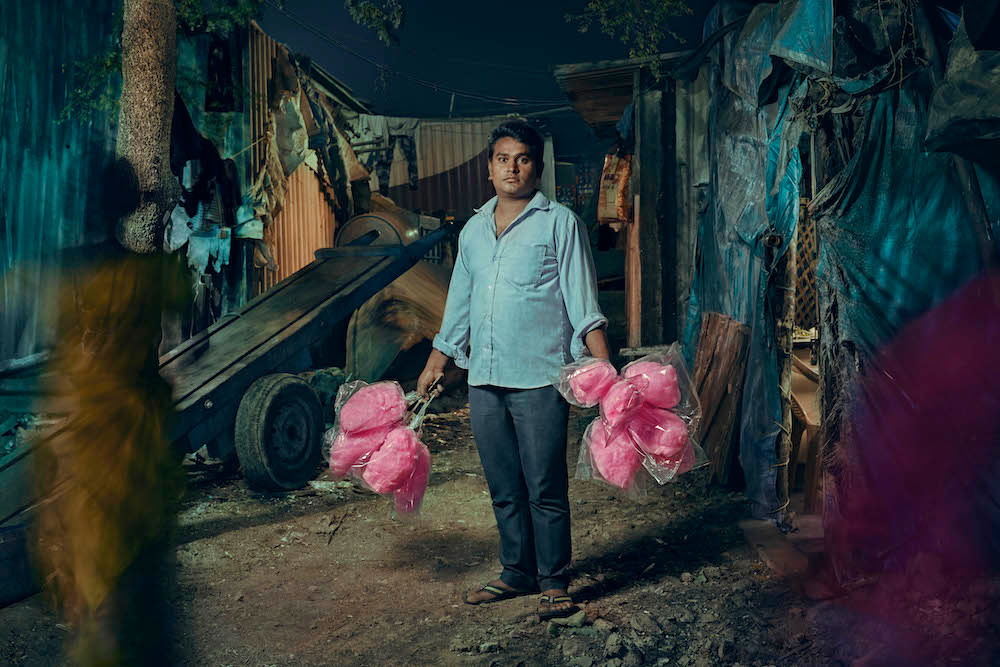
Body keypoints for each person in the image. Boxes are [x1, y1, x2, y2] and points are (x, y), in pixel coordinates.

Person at [417, 120, 610, 620]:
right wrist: (439, 358)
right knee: (503, 485)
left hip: (542, 379)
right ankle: (516, 573)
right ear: (489, 167)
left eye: (522, 159)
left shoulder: (559, 223)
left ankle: (554, 580)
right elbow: (459, 300)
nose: (512, 168)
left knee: (544, 485)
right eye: (503, 158)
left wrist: (605, 368)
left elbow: (584, 303)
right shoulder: (475, 230)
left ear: (536, 168)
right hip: (484, 379)